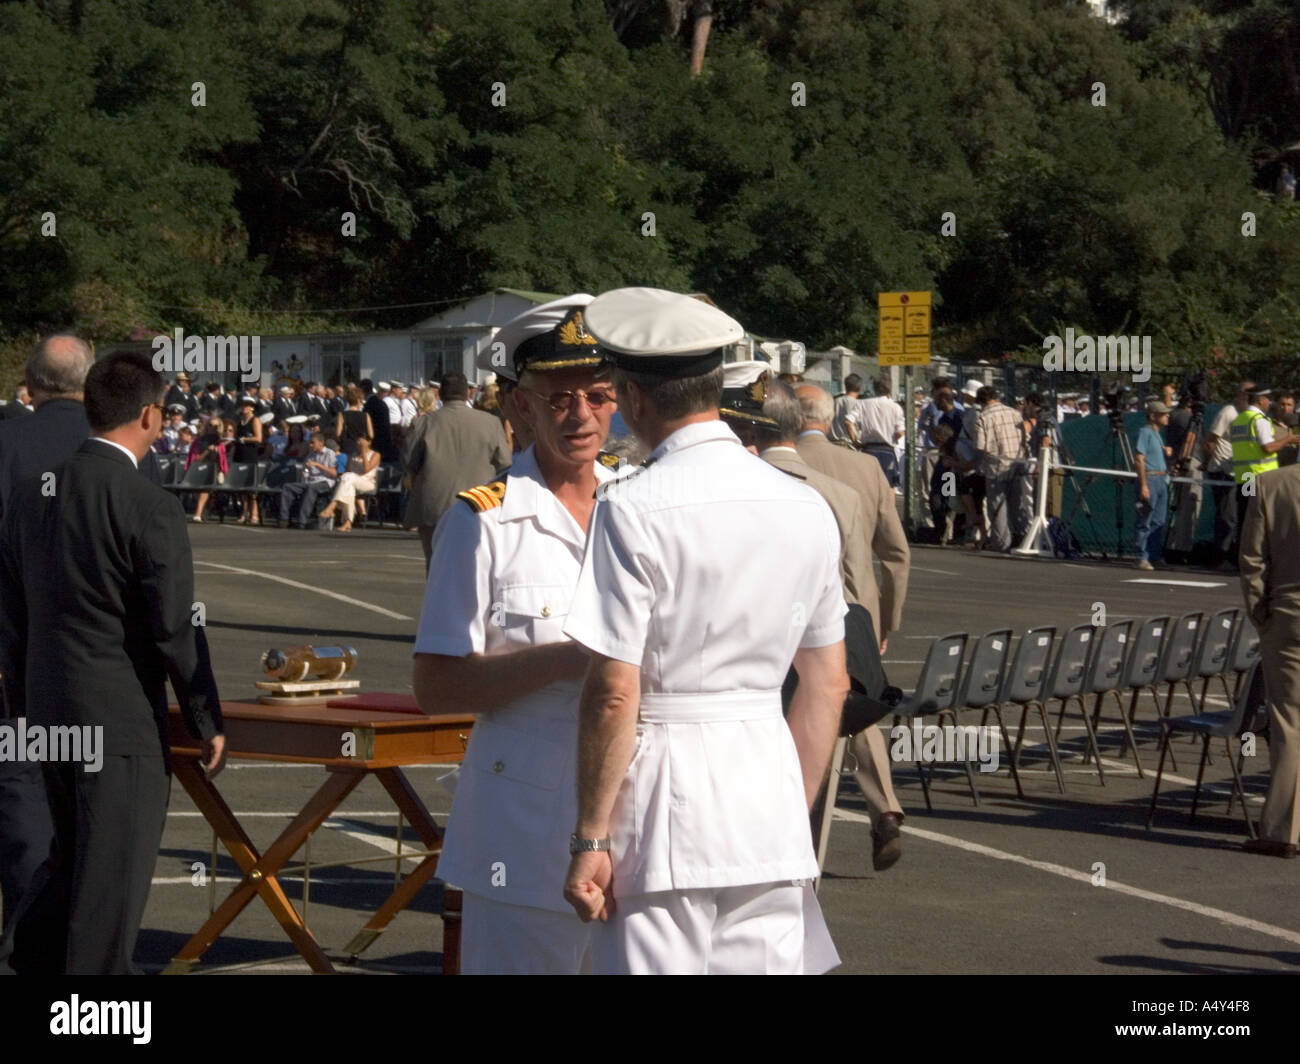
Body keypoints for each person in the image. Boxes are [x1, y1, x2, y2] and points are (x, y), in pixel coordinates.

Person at [561, 287, 848, 975]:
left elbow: (612, 691)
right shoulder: (804, 506)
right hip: (768, 806)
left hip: (663, 809)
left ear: (633, 396)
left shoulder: (632, 506)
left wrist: (590, 836)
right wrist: (789, 811)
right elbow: (828, 683)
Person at [413, 295, 620, 974]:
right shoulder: (482, 523)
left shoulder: (640, 508)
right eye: (559, 398)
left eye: (597, 394)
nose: (581, 415)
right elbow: (437, 685)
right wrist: (567, 659)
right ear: (520, 407)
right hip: (523, 832)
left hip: (633, 823)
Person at [0, 351, 225, 975]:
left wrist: (22, 707)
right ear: (151, 415)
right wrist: (205, 715)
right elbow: (176, 626)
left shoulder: (30, 496)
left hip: (50, 708)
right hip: (117, 717)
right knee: (111, 876)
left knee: (70, 857)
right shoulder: (148, 504)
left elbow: (14, 617)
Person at [793, 382, 911, 869]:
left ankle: (799, 821)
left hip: (797, 608)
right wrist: (886, 620)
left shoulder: (766, 463)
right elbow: (897, 555)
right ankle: (883, 806)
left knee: (805, 707)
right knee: (853, 702)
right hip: (857, 607)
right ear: (835, 417)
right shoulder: (866, 467)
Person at [1239, 456, 1300, 856]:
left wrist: (1261, 613)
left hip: (1289, 615)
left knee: (1290, 721)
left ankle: (1282, 830)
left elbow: (1251, 560)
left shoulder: (1270, 485)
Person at [403, 371, 511, 569]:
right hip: (480, 504)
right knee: (478, 566)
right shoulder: (491, 422)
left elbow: (409, 460)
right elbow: (505, 462)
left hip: (435, 505)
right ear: (467, 394)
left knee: (436, 567)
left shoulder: (424, 422)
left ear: (440, 394)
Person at [1230, 386, 1298, 568]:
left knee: (1245, 517)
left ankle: (1240, 557)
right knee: (1259, 520)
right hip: (1260, 478)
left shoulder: (1240, 420)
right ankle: (1255, 558)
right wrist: (1288, 440)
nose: (1270, 403)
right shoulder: (1259, 420)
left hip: (1244, 475)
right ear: (1260, 400)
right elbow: (1268, 447)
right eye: (1268, 400)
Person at [973, 385, 1024, 552]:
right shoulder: (1015, 413)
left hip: (995, 467)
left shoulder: (983, 417)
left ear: (982, 402)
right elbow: (1026, 438)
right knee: (1017, 505)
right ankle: (1021, 537)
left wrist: (979, 466)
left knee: (997, 508)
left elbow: (980, 446)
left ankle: (1001, 543)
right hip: (1017, 464)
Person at [1133, 400, 1172, 570]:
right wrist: (1143, 485)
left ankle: (1154, 555)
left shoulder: (1157, 434)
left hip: (1161, 480)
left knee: (1159, 521)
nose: (1167, 416)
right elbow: (1139, 459)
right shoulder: (1145, 432)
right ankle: (1141, 555)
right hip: (1150, 479)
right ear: (1153, 416)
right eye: (1163, 414)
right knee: (1146, 519)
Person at [847, 377, 904, 486]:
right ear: (890, 389)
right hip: (887, 450)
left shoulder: (862, 404)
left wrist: (855, 442)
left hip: (868, 450)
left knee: (867, 485)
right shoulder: (895, 407)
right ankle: (889, 504)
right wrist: (891, 436)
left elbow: (848, 421)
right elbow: (900, 432)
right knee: (889, 486)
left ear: (874, 388)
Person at [319, 433, 380, 531]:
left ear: (368, 442)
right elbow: (347, 471)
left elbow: (366, 469)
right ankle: (348, 522)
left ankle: (332, 505)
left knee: (348, 478)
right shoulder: (353, 455)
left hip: (367, 482)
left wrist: (364, 451)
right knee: (348, 487)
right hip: (351, 481)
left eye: (361, 441)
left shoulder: (375, 455)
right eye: (357, 441)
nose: (358, 443)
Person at [278, 431, 338, 528]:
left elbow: (334, 473)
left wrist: (318, 465)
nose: (310, 445)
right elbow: (306, 473)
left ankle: (302, 521)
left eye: (312, 443)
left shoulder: (329, 453)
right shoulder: (310, 455)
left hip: (325, 481)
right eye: (310, 443)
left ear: (321, 443)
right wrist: (305, 471)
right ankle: (284, 519)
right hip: (310, 481)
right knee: (288, 487)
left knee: (311, 488)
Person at [829, 373, 864, 445]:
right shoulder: (858, 404)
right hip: (848, 444)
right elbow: (850, 424)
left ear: (845, 386)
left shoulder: (834, 401)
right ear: (859, 388)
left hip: (832, 443)